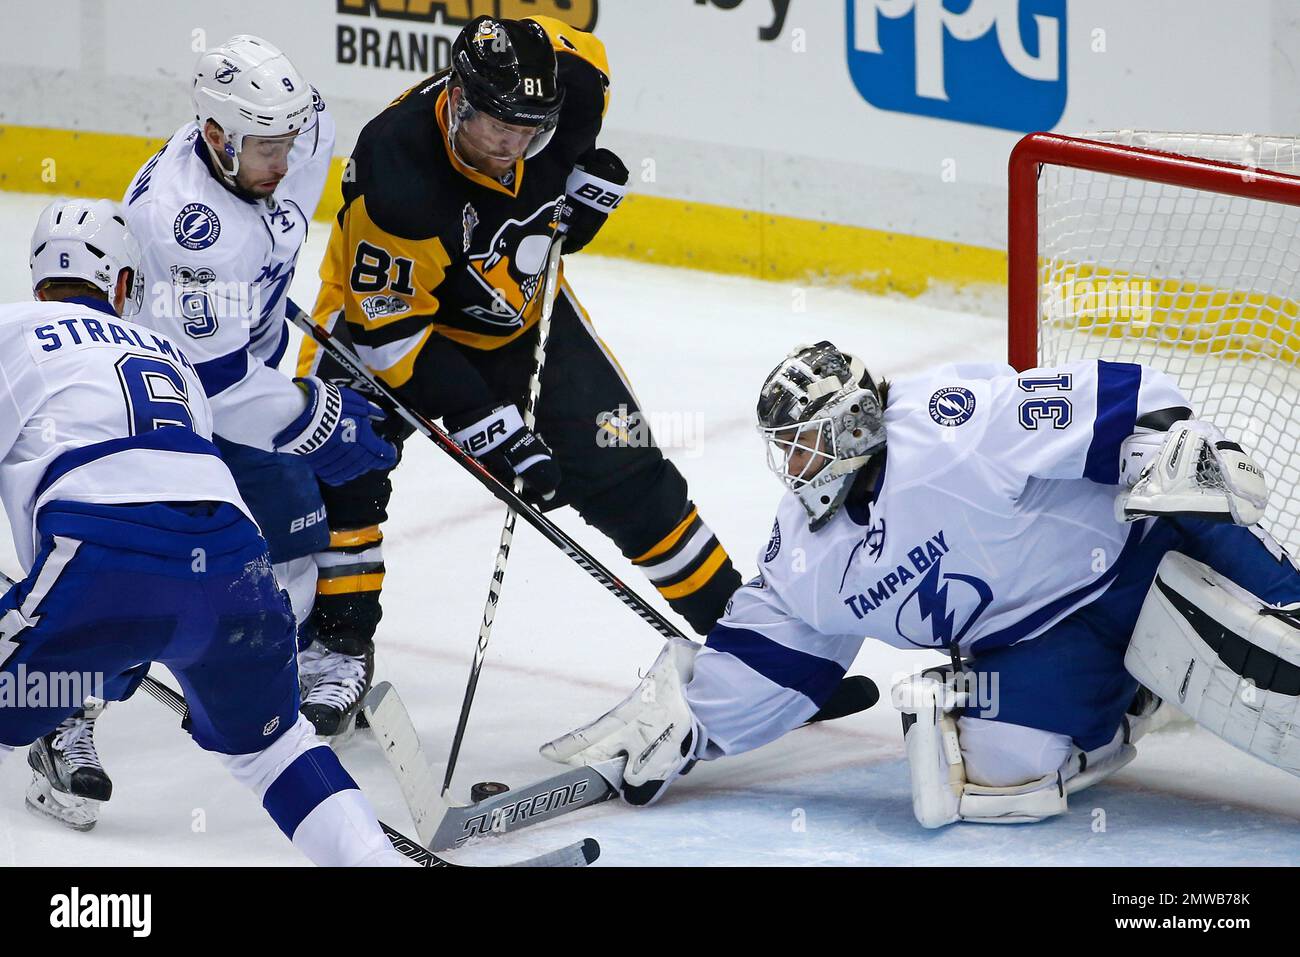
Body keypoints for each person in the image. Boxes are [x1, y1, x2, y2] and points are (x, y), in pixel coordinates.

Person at [540, 341, 1300, 824]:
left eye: (805, 446)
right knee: (998, 784)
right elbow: (775, 656)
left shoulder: (949, 426)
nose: (794, 467)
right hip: (1042, 638)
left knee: (1280, 649)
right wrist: (693, 725)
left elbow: (1113, 398)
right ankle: (1137, 696)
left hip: (1143, 551)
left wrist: (1162, 448)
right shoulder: (810, 550)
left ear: (849, 430)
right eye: (787, 451)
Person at [297, 15, 741, 734]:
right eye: (495, 129)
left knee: (622, 462)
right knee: (339, 469)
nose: (510, 148)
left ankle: (748, 640)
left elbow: (539, 218)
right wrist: (495, 430)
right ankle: (334, 645)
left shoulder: (576, 88)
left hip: (515, 314)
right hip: (383, 321)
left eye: (529, 131)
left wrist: (576, 216)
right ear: (459, 100)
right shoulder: (400, 169)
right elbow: (394, 342)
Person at [0, 198, 407, 864]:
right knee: (277, 752)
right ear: (125, 285)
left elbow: (106, 539)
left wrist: (102, 631)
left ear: (40, 280)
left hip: (99, 564)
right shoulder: (169, 355)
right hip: (236, 568)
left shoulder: (14, 330)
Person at [123, 35, 397, 739]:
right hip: (171, 404)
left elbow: (304, 159)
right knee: (179, 546)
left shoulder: (287, 136)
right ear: (215, 136)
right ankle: (76, 704)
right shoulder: (190, 228)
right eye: (265, 148)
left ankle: (296, 657)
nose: (285, 161)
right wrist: (319, 415)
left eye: (288, 140)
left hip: (240, 367)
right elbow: (217, 387)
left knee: (295, 523)